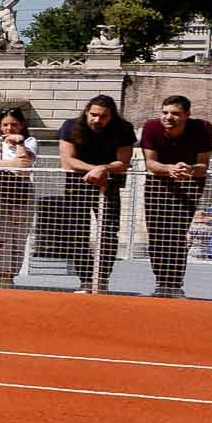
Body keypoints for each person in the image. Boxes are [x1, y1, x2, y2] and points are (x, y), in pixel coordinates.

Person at [138, 95, 212, 297]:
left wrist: (189, 169)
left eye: (175, 113)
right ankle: (161, 283)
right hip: (159, 182)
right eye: (165, 112)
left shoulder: (203, 128)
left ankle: (174, 284)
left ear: (187, 115)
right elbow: (151, 163)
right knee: (156, 235)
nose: (169, 117)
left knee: (176, 234)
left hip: (190, 182)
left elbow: (203, 165)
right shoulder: (151, 127)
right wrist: (169, 168)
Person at [56, 94, 135, 292]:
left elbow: (124, 161)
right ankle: (85, 279)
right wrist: (95, 169)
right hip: (77, 184)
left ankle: (101, 278)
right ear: (86, 112)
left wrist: (104, 170)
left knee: (108, 232)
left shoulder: (124, 129)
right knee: (76, 232)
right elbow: (68, 160)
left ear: (111, 117)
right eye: (94, 115)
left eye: (103, 116)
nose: (97, 120)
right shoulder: (70, 126)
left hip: (109, 186)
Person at [0, 107, 38, 287]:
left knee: (18, 237)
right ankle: (2, 273)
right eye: (5, 125)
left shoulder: (30, 141)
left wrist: (19, 143)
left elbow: (26, 162)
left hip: (23, 196)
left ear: (21, 125)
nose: (9, 128)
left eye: (13, 124)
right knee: (0, 236)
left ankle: (11, 274)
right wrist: (11, 164)